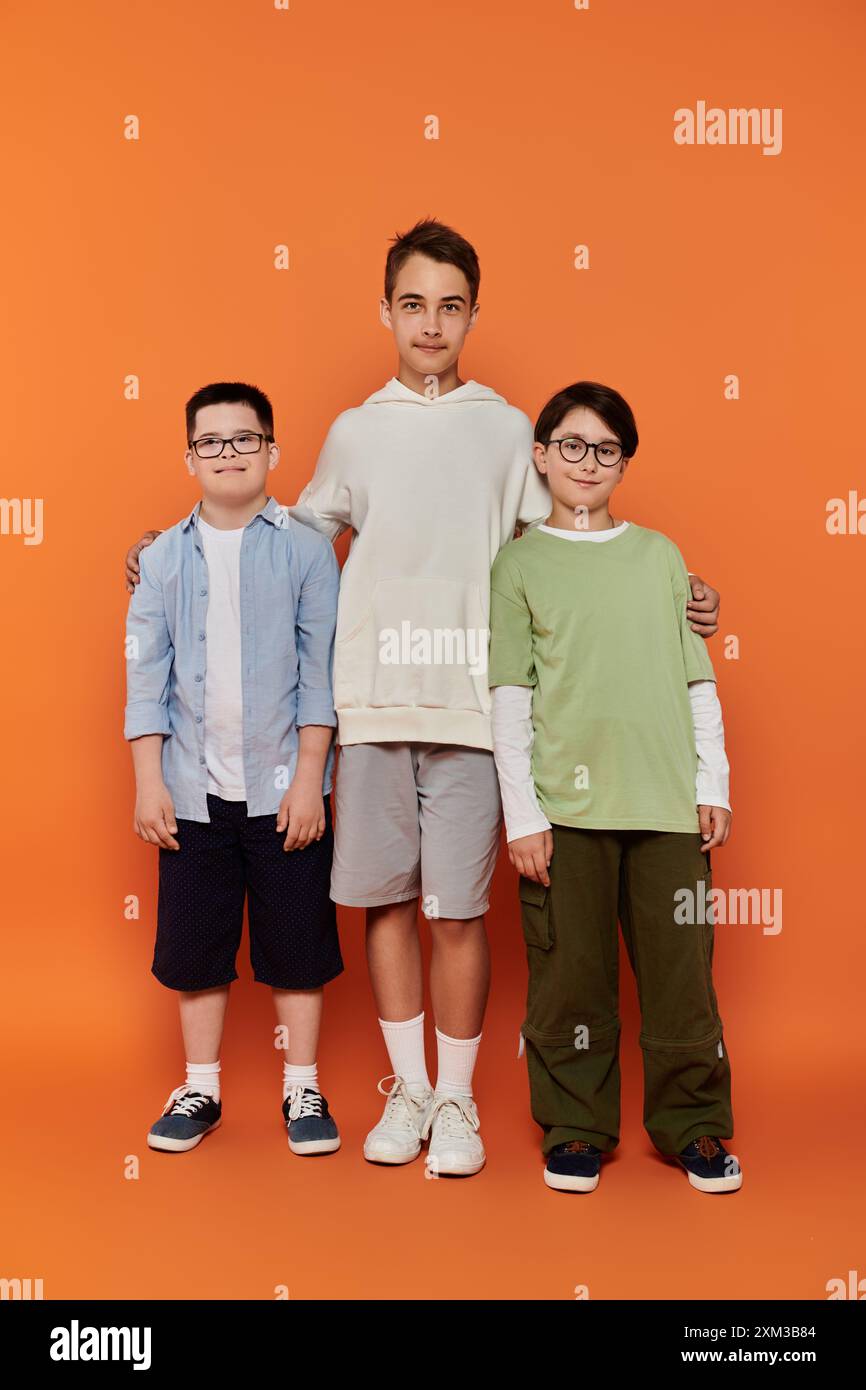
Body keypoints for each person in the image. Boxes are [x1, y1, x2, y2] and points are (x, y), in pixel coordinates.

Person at [124, 220, 722, 1178]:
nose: (432, 323)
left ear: (473, 314)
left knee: (457, 913)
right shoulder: (356, 430)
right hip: (368, 710)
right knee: (385, 907)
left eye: (451, 305)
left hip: (473, 711)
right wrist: (174, 540)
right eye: (414, 304)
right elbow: (284, 530)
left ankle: (456, 1103)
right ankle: (405, 1090)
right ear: (387, 313)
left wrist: (679, 591)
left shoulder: (504, 427)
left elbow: (570, 541)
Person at [488, 380, 741, 1194]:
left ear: (624, 464)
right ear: (542, 454)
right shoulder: (520, 562)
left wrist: (716, 783)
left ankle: (695, 1128)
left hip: (666, 809)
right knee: (570, 979)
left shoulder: (663, 556)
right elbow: (510, 696)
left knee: (683, 978)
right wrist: (522, 817)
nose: (587, 461)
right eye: (571, 444)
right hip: (566, 813)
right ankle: (575, 1125)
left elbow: (698, 680)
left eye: (606, 449)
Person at [124, 381, 344, 1157]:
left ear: (271, 451)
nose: (227, 453)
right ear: (189, 456)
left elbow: (321, 675)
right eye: (211, 442)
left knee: (296, 942)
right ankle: (202, 1086)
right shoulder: (160, 559)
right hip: (191, 787)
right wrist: (150, 779)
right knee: (195, 944)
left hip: (285, 786)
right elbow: (145, 678)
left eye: (243, 439)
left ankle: (302, 1085)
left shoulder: (307, 551)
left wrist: (311, 777)